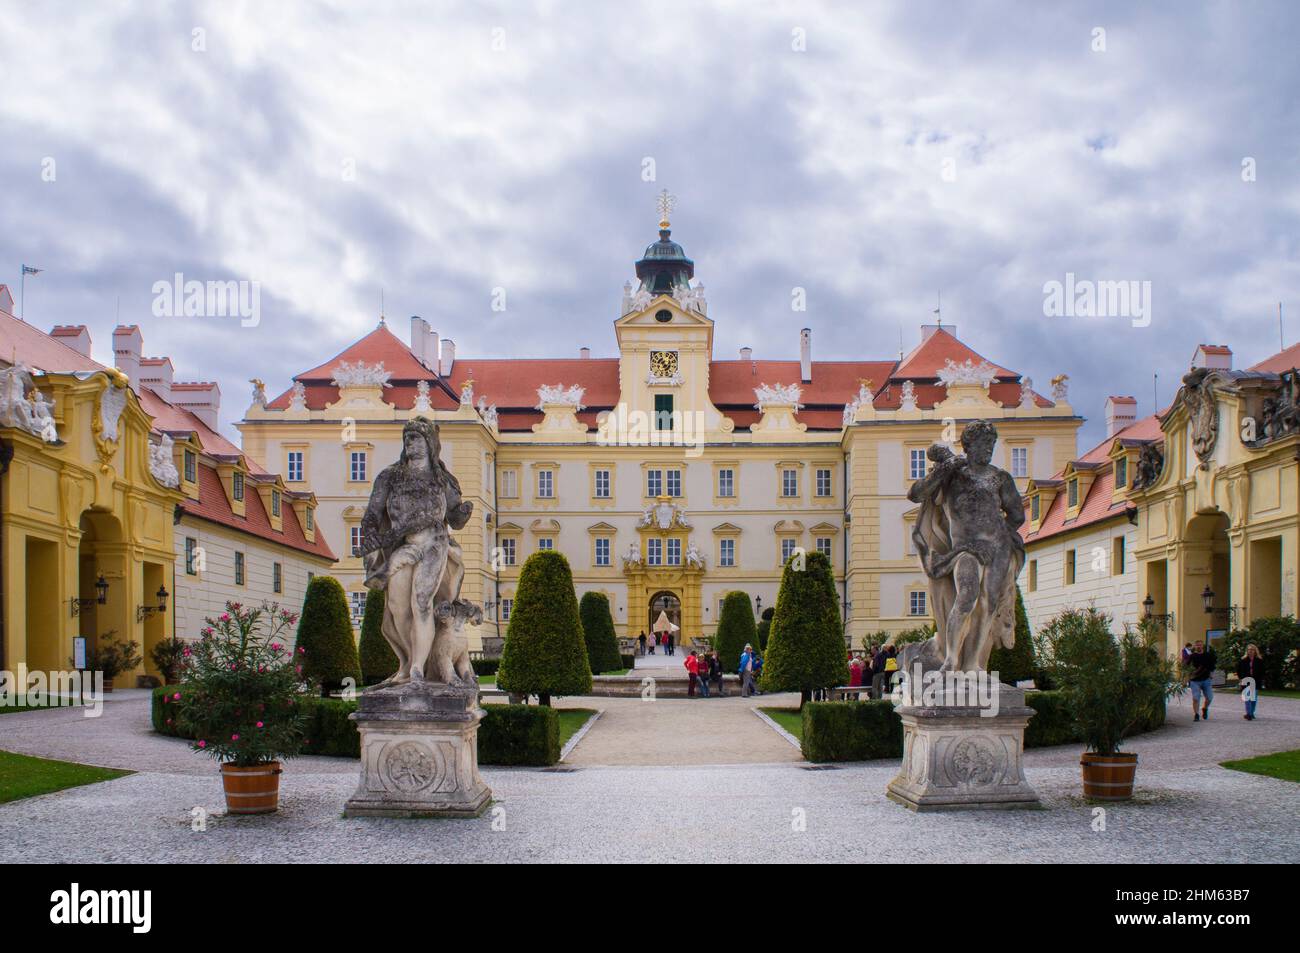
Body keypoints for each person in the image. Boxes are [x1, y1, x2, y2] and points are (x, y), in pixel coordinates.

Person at [1187, 639, 1217, 721]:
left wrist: (1211, 674)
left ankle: (1205, 708)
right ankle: (1196, 714)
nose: (1198, 646)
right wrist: (1187, 676)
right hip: (1195, 680)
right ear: (1195, 646)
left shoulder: (1208, 655)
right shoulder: (1192, 656)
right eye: (1197, 645)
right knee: (1196, 698)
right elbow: (1186, 666)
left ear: (1202, 646)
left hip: (1206, 679)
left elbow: (1213, 666)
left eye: (1200, 645)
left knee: (1209, 698)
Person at [1236, 644, 1265, 721]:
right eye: (1249, 649)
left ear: (1255, 651)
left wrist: (1261, 680)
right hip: (1246, 680)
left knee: (1253, 698)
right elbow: (1238, 670)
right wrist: (1240, 678)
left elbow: (1262, 672)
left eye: (1252, 649)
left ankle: (1251, 713)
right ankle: (1249, 713)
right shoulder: (1243, 660)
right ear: (1247, 651)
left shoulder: (1259, 661)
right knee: (1247, 698)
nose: (1250, 651)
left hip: (1255, 681)